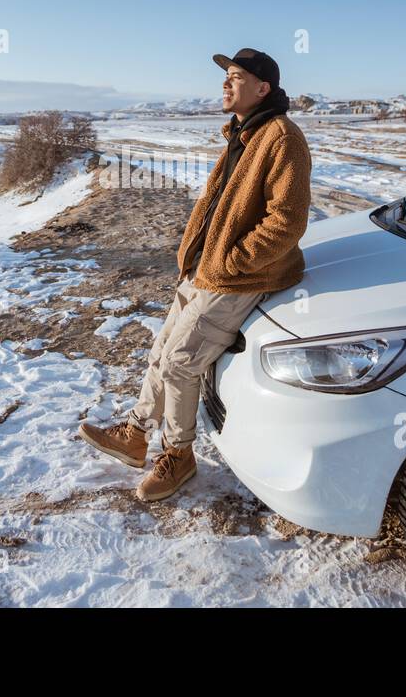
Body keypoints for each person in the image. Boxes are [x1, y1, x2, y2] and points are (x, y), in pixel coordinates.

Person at [78, 48, 312, 500]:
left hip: (241, 276)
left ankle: (179, 455)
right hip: (203, 267)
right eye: (225, 76)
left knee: (181, 363)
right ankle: (136, 434)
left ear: (263, 88)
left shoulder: (283, 137)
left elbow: (287, 219)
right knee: (161, 351)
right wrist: (199, 256)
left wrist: (234, 261)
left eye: (236, 77)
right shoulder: (243, 132)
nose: (226, 84)